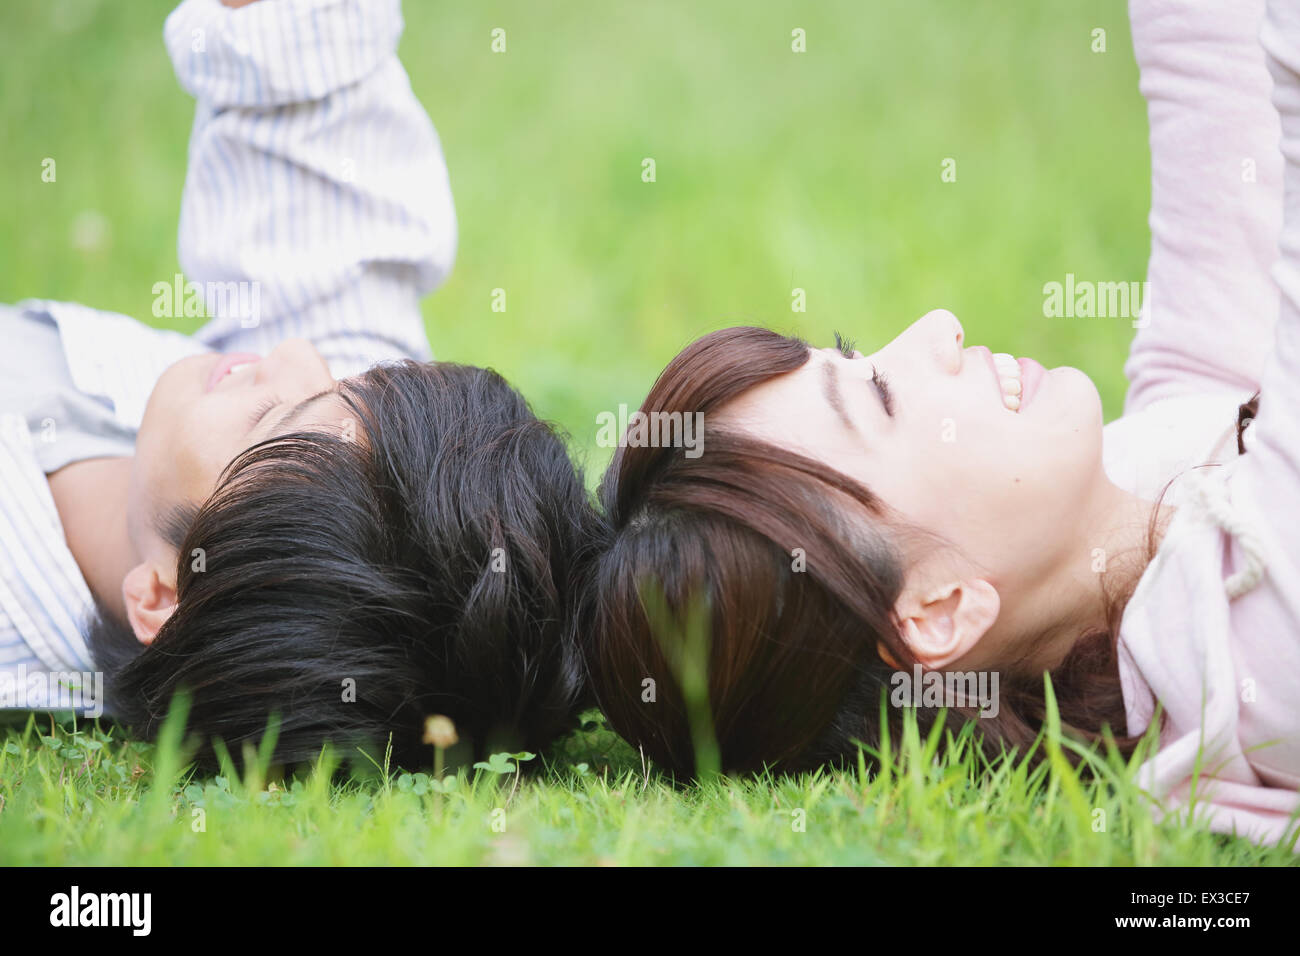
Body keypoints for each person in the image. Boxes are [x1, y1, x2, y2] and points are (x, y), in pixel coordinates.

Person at [579, 0, 1300, 850]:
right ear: (938, 609)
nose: (941, 328)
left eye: (857, 355)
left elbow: (1216, 125)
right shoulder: (1261, 637)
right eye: (882, 397)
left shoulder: (1161, 492)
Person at [0, 0, 601, 770]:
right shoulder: (355, 477)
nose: (293, 351)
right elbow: (309, 98)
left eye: (270, 416)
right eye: (347, 379)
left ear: (163, 596)